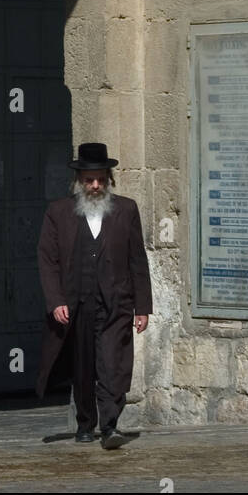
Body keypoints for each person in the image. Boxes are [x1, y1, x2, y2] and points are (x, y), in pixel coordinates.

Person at [35, 142, 152, 448]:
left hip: (116, 303)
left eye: (101, 179)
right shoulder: (58, 212)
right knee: (83, 367)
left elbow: (137, 260)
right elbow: (47, 259)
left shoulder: (127, 210)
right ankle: (85, 425)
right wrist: (56, 299)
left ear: (109, 179)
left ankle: (110, 426)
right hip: (77, 304)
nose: (96, 185)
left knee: (113, 364)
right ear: (79, 181)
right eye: (89, 180)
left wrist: (143, 306)